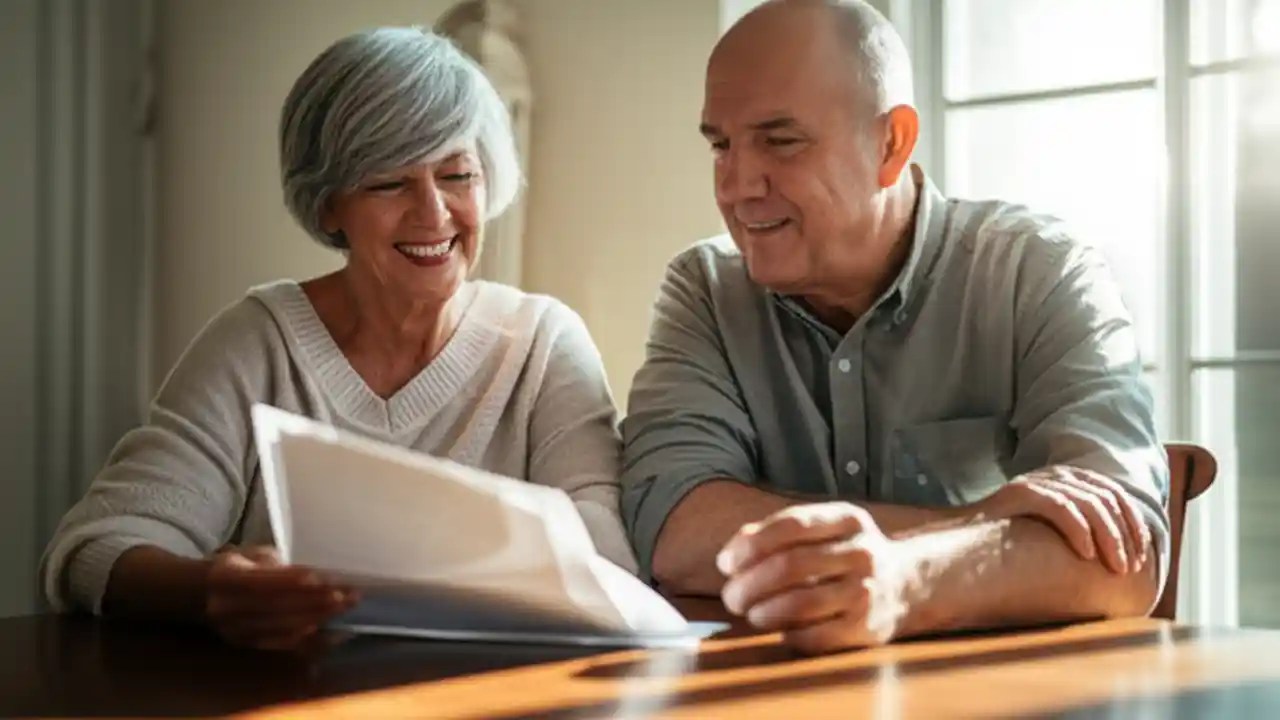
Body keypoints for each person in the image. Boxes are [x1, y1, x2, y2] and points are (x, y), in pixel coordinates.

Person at [41, 27, 636, 650]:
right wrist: (211, 591)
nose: (434, 213)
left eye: (458, 174)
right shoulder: (257, 344)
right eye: (389, 183)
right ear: (328, 205)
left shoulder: (543, 345)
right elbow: (94, 547)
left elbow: (607, 557)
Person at [621, 0, 1169, 654]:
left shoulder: (1040, 272)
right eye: (721, 145)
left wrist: (905, 579)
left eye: (781, 140)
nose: (737, 186)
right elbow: (675, 531)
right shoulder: (705, 289)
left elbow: (1122, 560)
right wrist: (985, 523)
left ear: (892, 143)